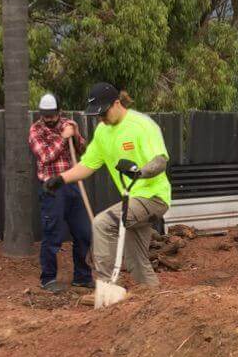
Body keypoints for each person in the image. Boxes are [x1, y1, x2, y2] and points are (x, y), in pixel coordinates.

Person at [45, 82, 171, 288]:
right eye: (97, 115)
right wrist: (61, 179)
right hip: (131, 199)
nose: (100, 118)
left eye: (103, 112)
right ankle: (154, 303)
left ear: (116, 103)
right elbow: (88, 164)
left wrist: (140, 173)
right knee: (136, 261)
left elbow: (160, 160)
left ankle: (107, 285)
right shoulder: (103, 131)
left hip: (153, 197)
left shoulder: (142, 125)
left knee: (102, 223)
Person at [27, 93, 93, 292]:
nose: (48, 118)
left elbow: (82, 150)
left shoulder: (67, 124)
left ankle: (82, 276)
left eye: (52, 115)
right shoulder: (35, 130)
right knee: (52, 234)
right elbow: (45, 157)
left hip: (73, 184)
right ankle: (48, 279)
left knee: (83, 232)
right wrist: (62, 139)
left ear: (59, 112)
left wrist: (75, 134)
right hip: (52, 188)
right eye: (45, 115)